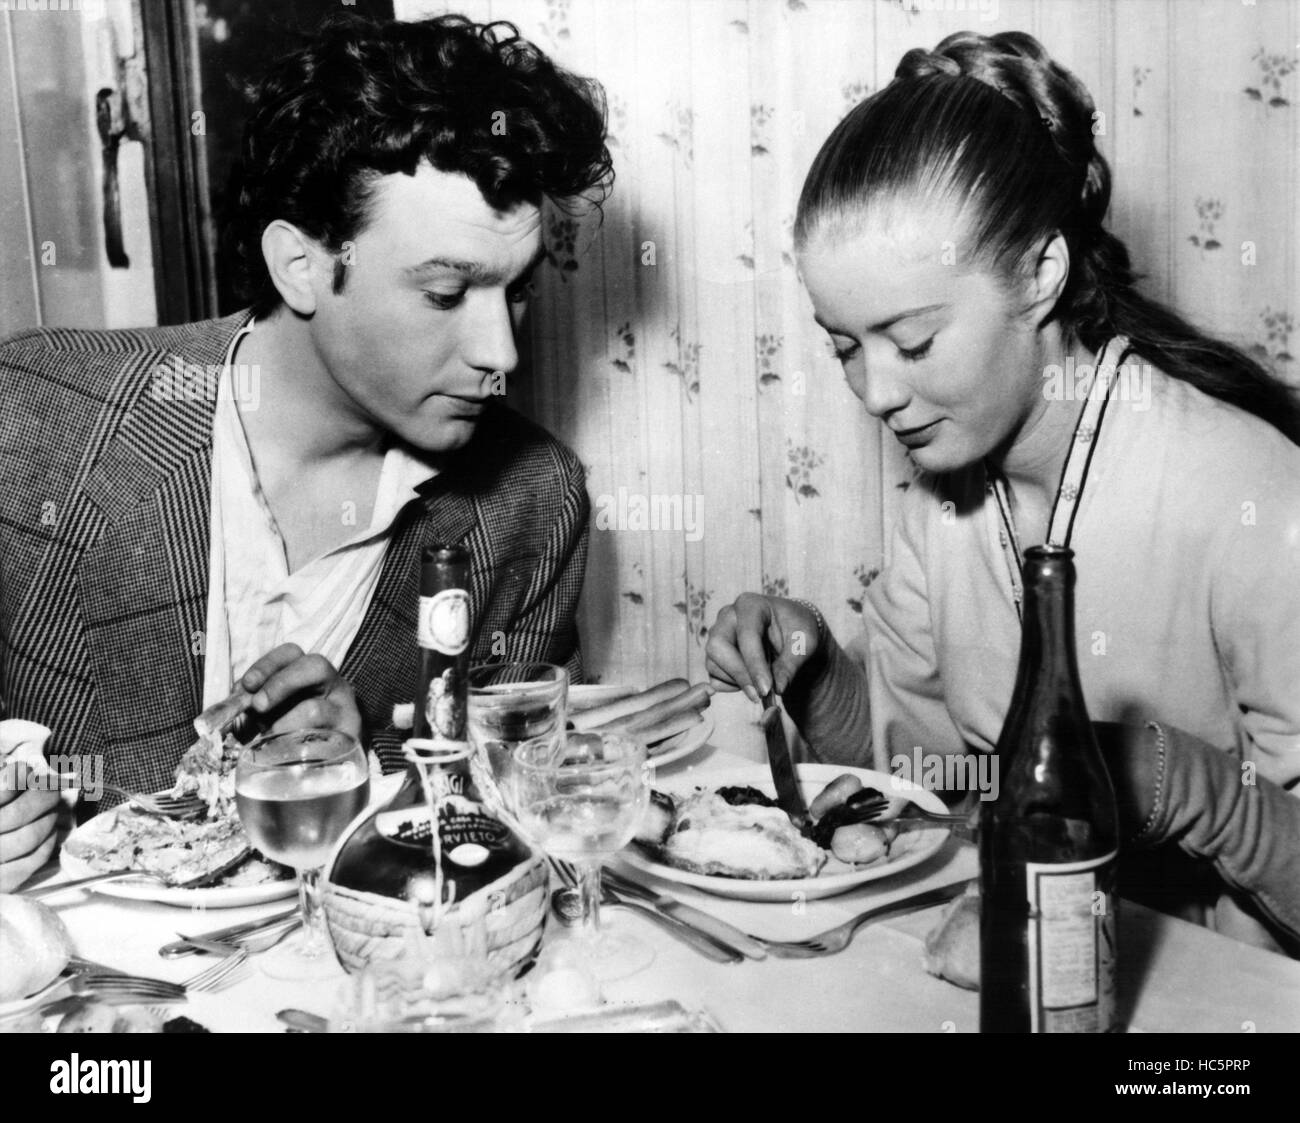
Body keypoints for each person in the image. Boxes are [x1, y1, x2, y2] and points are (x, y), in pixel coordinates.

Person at [706, 31, 1300, 955]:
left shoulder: (1252, 493)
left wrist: (1188, 786)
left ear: (1040, 274)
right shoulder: (946, 489)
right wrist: (816, 667)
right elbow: (920, 783)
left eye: (912, 341)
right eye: (844, 346)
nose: (877, 393)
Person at [0, 13, 611, 891]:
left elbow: (508, 831)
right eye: (446, 293)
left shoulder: (533, 502)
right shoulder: (33, 421)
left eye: (516, 295)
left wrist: (366, 758)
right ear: (299, 265)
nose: (502, 355)